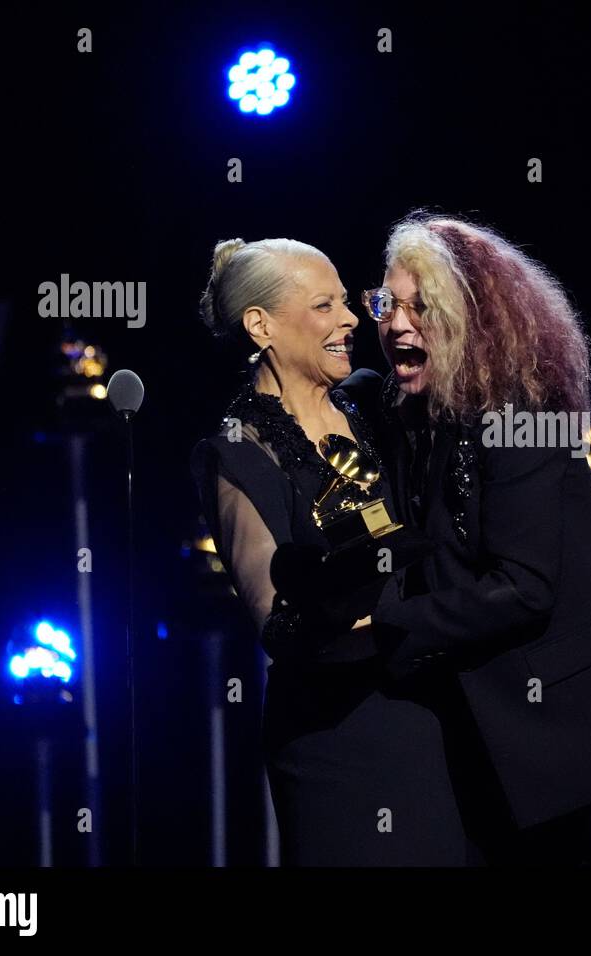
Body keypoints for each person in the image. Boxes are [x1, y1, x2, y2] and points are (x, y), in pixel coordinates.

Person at [362, 213, 591, 865]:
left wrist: (381, 627)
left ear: (474, 320)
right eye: (386, 303)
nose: (397, 323)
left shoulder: (522, 416)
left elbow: (522, 589)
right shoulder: (415, 416)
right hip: (522, 749)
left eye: (422, 306)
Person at [189, 237, 470, 865]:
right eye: (324, 306)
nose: (350, 320)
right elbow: (280, 624)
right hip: (340, 739)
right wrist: (362, 600)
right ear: (259, 324)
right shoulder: (239, 451)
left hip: (440, 716)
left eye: (348, 302)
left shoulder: (374, 402)